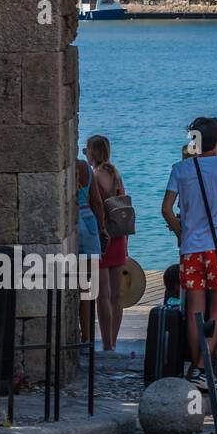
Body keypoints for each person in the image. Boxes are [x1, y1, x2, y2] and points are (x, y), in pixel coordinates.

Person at [160, 117, 217, 391]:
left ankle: (197, 368)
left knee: (194, 311)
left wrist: (181, 233)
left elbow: (166, 209)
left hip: (191, 251)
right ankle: (202, 369)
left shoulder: (180, 169)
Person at [85, 135, 127, 351]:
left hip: (102, 236)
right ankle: (113, 339)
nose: (85, 154)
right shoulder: (116, 174)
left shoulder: (95, 174)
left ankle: (107, 344)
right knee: (116, 294)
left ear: (93, 153)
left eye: (86, 151)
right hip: (119, 235)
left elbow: (96, 205)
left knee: (102, 294)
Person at [75, 157, 102, 349]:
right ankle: (87, 337)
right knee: (86, 288)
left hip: (72, 222)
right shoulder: (84, 167)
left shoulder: (68, 167)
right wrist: (102, 228)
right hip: (89, 222)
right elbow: (97, 202)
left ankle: (74, 333)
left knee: (67, 283)